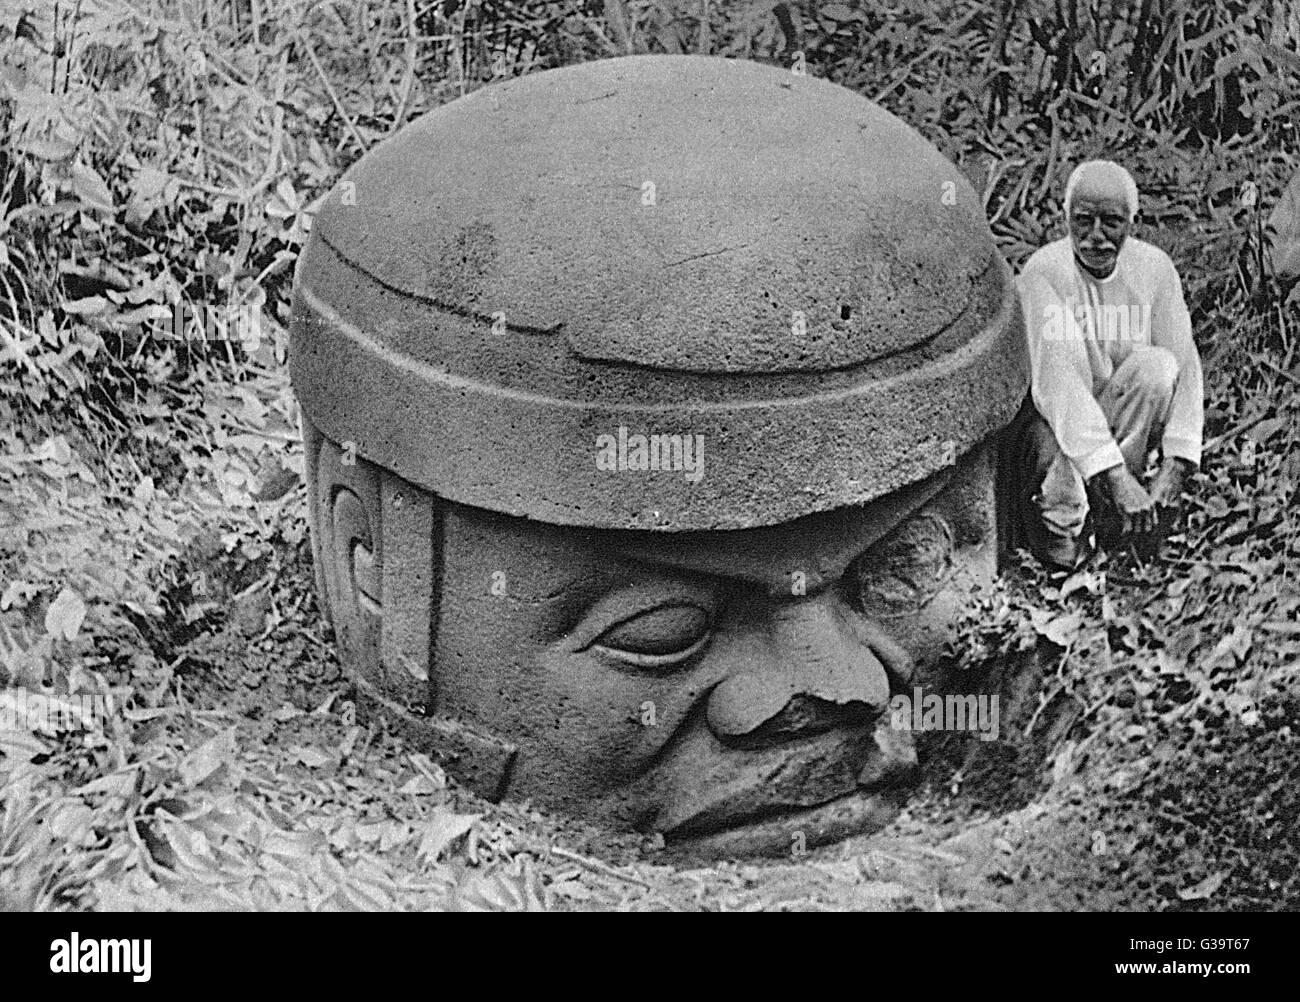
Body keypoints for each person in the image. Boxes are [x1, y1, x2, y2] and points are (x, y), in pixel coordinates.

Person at [1011, 160, 1204, 569]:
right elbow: (1059, 388)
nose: (1095, 236)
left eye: (1111, 222)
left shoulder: (1153, 269)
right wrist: (1113, 477)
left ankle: (1119, 512)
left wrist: (1176, 465)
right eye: (1083, 221)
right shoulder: (1044, 274)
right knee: (1064, 544)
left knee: (1158, 366)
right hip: (1053, 423)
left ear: (1132, 223)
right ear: (1065, 219)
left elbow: (1186, 365)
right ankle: (1078, 519)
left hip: (1117, 417)